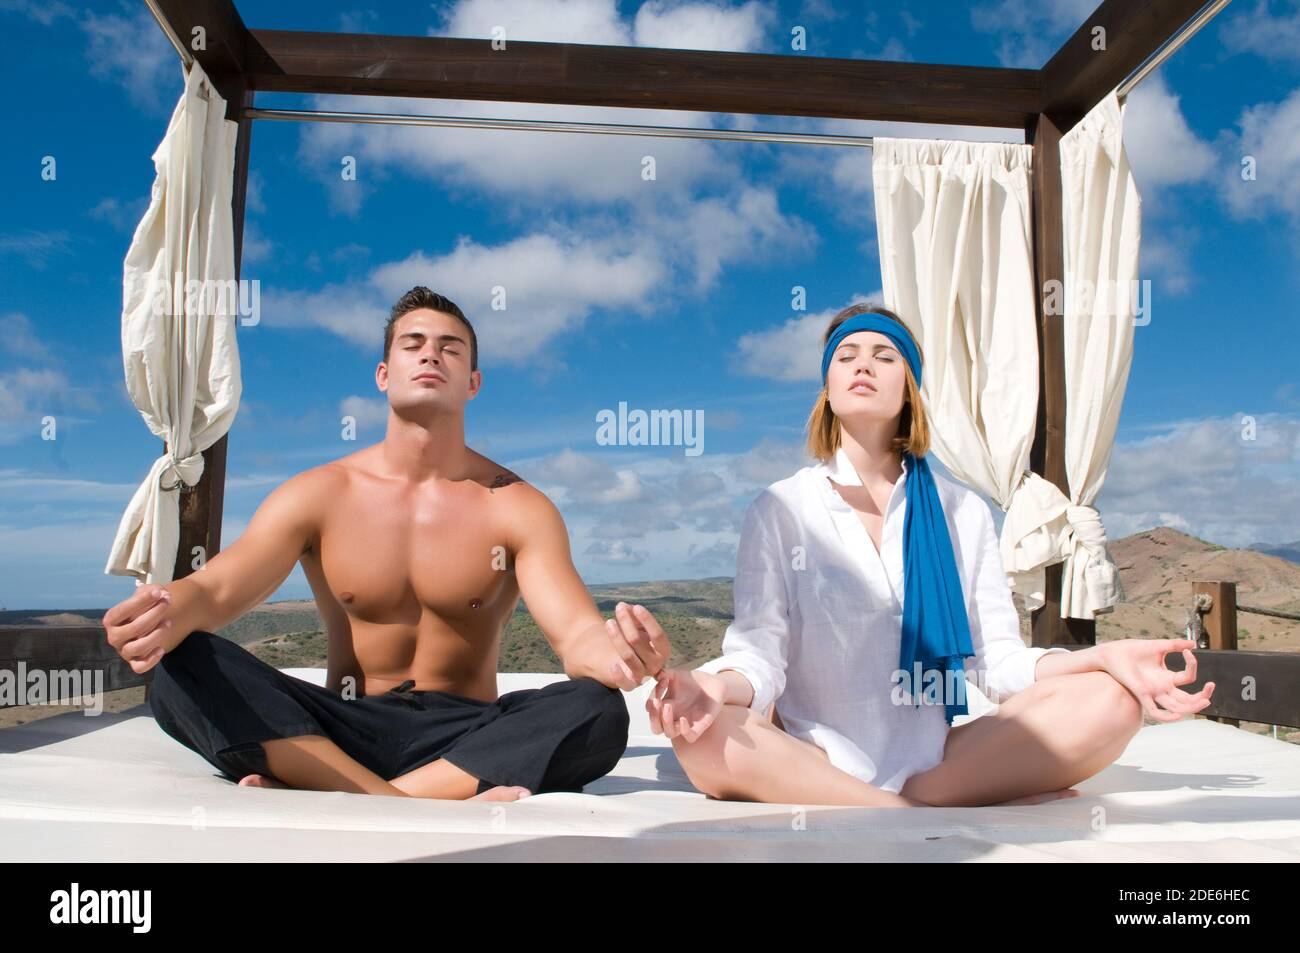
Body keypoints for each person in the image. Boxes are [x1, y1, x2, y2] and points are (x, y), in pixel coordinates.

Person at [626, 303, 1215, 808]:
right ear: (827, 389)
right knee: (701, 736)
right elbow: (760, 659)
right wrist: (710, 685)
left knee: (1110, 703)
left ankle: (897, 801)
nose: (864, 363)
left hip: (937, 763)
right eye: (846, 353)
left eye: (886, 355)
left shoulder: (962, 512)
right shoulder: (780, 508)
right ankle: (900, 810)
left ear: (909, 386)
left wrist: (1104, 659)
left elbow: (997, 662)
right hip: (810, 760)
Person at [103, 287, 668, 801]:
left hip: (464, 735)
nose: (430, 355)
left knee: (596, 709)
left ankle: (349, 792)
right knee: (180, 663)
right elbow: (219, 589)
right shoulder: (318, 493)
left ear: (472, 381)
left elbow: (575, 635)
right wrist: (169, 608)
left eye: (451, 348)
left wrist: (616, 654)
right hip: (339, 726)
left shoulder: (518, 505)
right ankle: (418, 800)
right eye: (413, 344)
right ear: (383, 373)